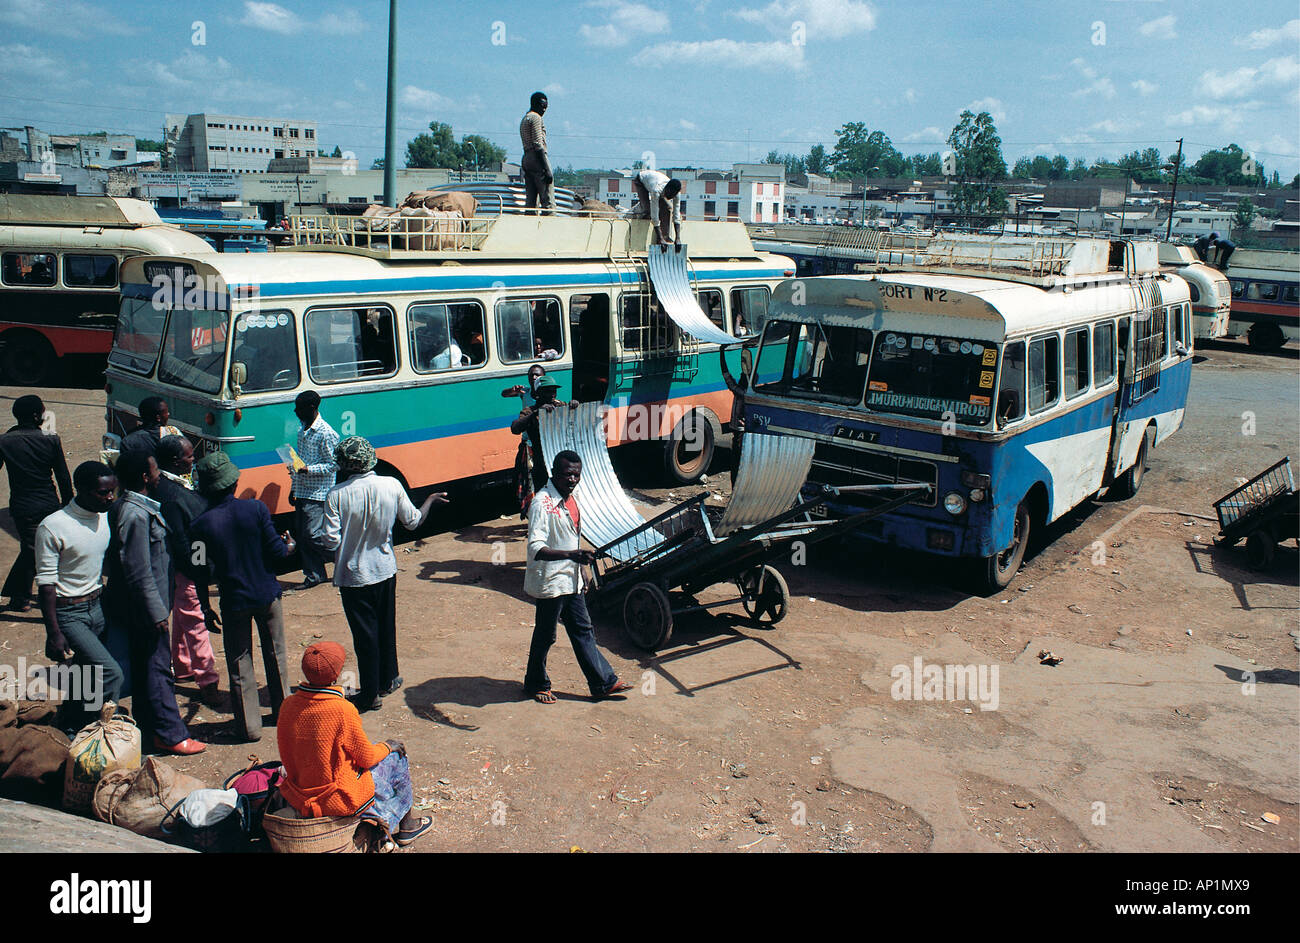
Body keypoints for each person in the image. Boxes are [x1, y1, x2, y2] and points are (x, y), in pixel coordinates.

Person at [322, 437, 447, 713]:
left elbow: (330, 541)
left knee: (364, 636)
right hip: (385, 569)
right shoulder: (391, 484)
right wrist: (429, 500)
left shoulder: (336, 495)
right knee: (385, 626)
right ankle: (388, 679)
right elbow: (413, 521)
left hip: (354, 576)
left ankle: (369, 695)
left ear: (344, 466)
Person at [276, 642, 431, 845]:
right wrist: (388, 746)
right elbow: (366, 758)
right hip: (335, 798)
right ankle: (406, 826)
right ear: (335, 675)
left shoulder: (288, 704)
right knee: (395, 755)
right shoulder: (341, 709)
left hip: (299, 793)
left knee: (374, 752)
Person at [189, 452, 295, 743]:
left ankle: (249, 728)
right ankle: (283, 713)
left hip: (233, 600)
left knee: (239, 662)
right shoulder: (256, 510)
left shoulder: (199, 526)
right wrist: (290, 546)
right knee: (276, 653)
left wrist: (205, 606)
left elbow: (199, 571)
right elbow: (277, 552)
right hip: (266, 593)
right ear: (234, 483)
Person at [104, 450, 204, 755]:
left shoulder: (130, 506)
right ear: (145, 477)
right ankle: (171, 734)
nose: (158, 472)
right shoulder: (135, 514)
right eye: (153, 467)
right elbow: (137, 569)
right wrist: (157, 612)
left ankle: (149, 730)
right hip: (148, 609)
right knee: (158, 668)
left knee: (146, 668)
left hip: (142, 605)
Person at [522, 450, 631, 704]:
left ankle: (603, 683)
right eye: (567, 475)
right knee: (546, 635)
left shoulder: (571, 497)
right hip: (550, 582)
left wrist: (579, 567)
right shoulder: (542, 503)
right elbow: (536, 549)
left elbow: (571, 535)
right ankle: (535, 683)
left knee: (583, 629)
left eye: (576, 475)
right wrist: (572, 555)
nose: (572, 480)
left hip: (571, 579)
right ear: (553, 474)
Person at [33, 461, 124, 727]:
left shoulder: (106, 515)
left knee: (85, 674)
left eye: (113, 492)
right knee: (111, 673)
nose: (110, 498)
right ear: (81, 490)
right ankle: (103, 730)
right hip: (69, 615)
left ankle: (69, 725)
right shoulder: (53, 527)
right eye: (103, 492)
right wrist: (54, 633)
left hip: (97, 607)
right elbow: (46, 586)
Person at [153, 436, 220, 708]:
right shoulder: (174, 494)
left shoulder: (166, 486)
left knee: (182, 616)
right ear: (174, 461)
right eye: (189, 456)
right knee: (195, 620)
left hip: (177, 566)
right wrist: (200, 569)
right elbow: (185, 542)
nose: (193, 460)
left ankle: (182, 666)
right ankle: (208, 679)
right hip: (186, 565)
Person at [0, 395, 72, 611]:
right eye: (42, 411)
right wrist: (69, 505)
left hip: (23, 507)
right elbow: (63, 476)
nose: (44, 414)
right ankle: (36, 596)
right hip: (49, 505)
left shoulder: (5, 441)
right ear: (35, 415)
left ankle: (20, 596)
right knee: (42, 552)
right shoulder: (50, 439)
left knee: (33, 550)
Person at [289, 391, 340, 590]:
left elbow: (334, 465)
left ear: (311, 408)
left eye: (299, 409)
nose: (295, 412)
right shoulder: (303, 428)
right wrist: (293, 486)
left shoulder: (326, 432)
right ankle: (314, 575)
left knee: (312, 534)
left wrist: (308, 469)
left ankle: (343, 558)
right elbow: (300, 460)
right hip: (303, 489)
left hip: (318, 491)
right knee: (302, 535)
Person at [510, 374, 566, 497]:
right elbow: (515, 428)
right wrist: (537, 412)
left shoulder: (560, 406)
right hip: (539, 462)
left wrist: (574, 406)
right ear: (538, 393)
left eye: (554, 391)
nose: (552, 394)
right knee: (542, 494)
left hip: (558, 461)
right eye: (547, 391)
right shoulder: (530, 410)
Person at [519, 91, 554, 215]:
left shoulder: (525, 118)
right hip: (537, 157)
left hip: (526, 158)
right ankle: (548, 227)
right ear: (535, 104)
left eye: (546, 107)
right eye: (542, 106)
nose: (544, 109)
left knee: (531, 200)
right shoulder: (536, 118)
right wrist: (546, 169)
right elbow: (538, 144)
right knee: (547, 200)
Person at [630, 170, 684, 246]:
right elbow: (654, 215)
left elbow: (676, 214)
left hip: (655, 182)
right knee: (647, 209)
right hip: (640, 180)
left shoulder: (676, 193)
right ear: (667, 190)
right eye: (671, 195)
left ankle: (665, 237)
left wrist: (678, 238)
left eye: (673, 196)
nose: (672, 197)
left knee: (668, 208)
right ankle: (630, 212)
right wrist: (660, 238)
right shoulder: (656, 190)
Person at [719, 349, 749, 487]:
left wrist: (721, 354)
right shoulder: (748, 393)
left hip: (740, 433)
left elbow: (726, 374)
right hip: (741, 433)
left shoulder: (740, 392)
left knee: (737, 465)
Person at [119, 397, 184, 459]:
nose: (168, 414)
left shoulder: (128, 438)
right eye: (166, 412)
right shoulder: (172, 433)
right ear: (158, 417)